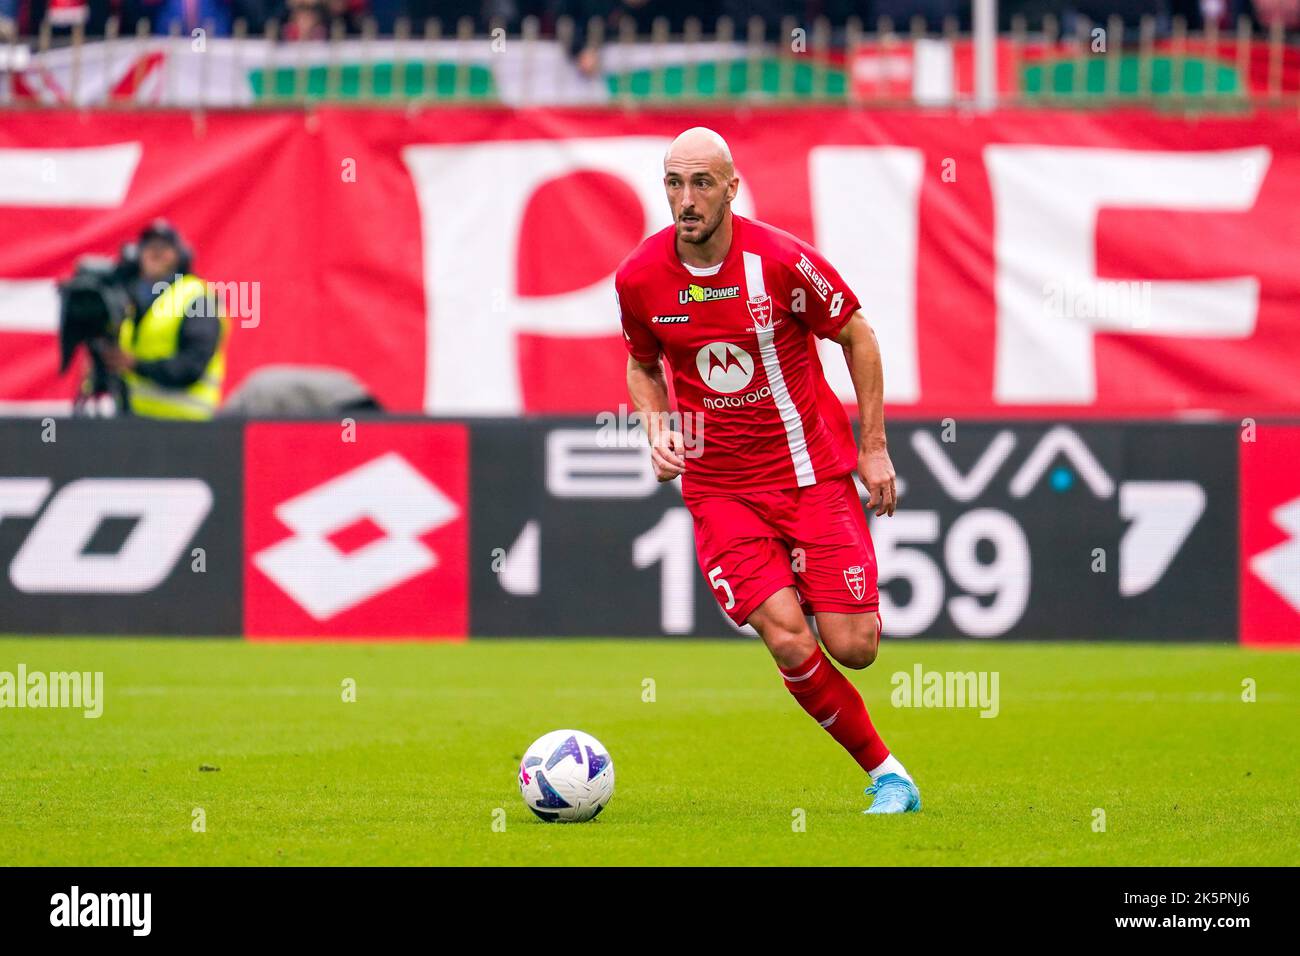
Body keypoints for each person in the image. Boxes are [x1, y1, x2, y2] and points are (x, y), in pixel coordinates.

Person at [617, 127, 919, 814]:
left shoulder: (780, 262)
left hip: (812, 475)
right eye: (673, 183)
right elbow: (641, 363)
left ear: (731, 187)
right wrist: (657, 427)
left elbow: (857, 334)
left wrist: (873, 446)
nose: (685, 200)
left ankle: (815, 586)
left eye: (700, 184)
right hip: (721, 490)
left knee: (856, 644)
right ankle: (888, 775)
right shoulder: (640, 277)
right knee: (786, 637)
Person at [96, 220, 229, 420]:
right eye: (149, 247)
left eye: (164, 248)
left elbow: (192, 364)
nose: (155, 253)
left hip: (186, 426)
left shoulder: (195, 297)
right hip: (134, 422)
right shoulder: (127, 299)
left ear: (180, 256)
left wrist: (136, 365)